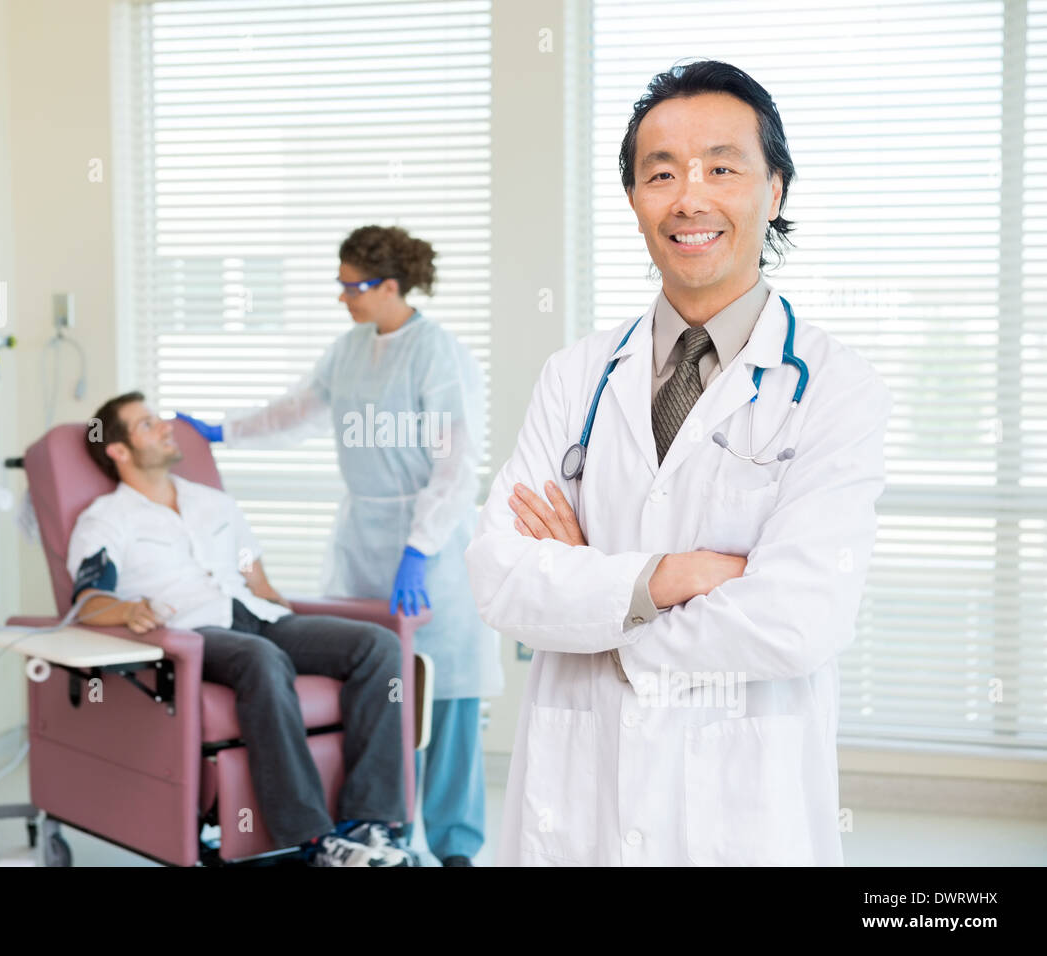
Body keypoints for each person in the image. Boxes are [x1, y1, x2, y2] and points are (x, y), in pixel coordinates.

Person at [464, 60, 892, 866]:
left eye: (722, 168)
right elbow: (500, 576)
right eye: (661, 173)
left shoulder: (837, 388)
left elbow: (797, 619)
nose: (689, 198)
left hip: (739, 812)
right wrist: (664, 579)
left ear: (775, 192)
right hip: (576, 801)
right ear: (634, 199)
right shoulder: (576, 376)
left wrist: (599, 600)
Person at [178, 225, 503, 866]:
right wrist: (220, 430)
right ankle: (378, 832)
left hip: (432, 550)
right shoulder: (350, 349)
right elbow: (295, 411)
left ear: (389, 286)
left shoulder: (439, 354)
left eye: (352, 286)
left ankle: (457, 847)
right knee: (378, 690)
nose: (343, 297)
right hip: (363, 542)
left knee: (447, 698)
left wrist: (420, 548)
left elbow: (457, 465)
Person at [68, 391, 417, 866]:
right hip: (191, 632)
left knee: (377, 645)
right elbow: (88, 601)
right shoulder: (106, 519)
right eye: (148, 425)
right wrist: (129, 613)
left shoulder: (213, 502)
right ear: (118, 450)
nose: (166, 427)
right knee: (261, 658)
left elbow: (256, 577)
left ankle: (370, 822)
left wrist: (302, 621)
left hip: (258, 616)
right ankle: (313, 839)